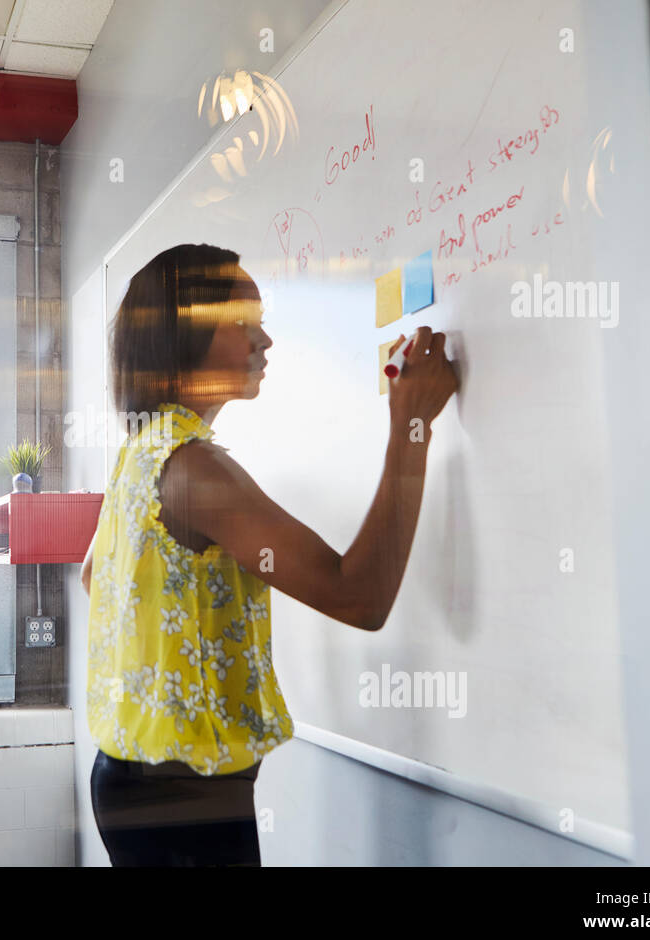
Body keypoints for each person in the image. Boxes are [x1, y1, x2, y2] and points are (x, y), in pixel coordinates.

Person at [81, 243, 458, 866]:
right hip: (183, 799)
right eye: (242, 321)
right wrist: (410, 425)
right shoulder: (195, 469)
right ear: (186, 334)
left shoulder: (143, 449)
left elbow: (96, 575)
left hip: (130, 774)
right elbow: (359, 596)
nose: (266, 340)